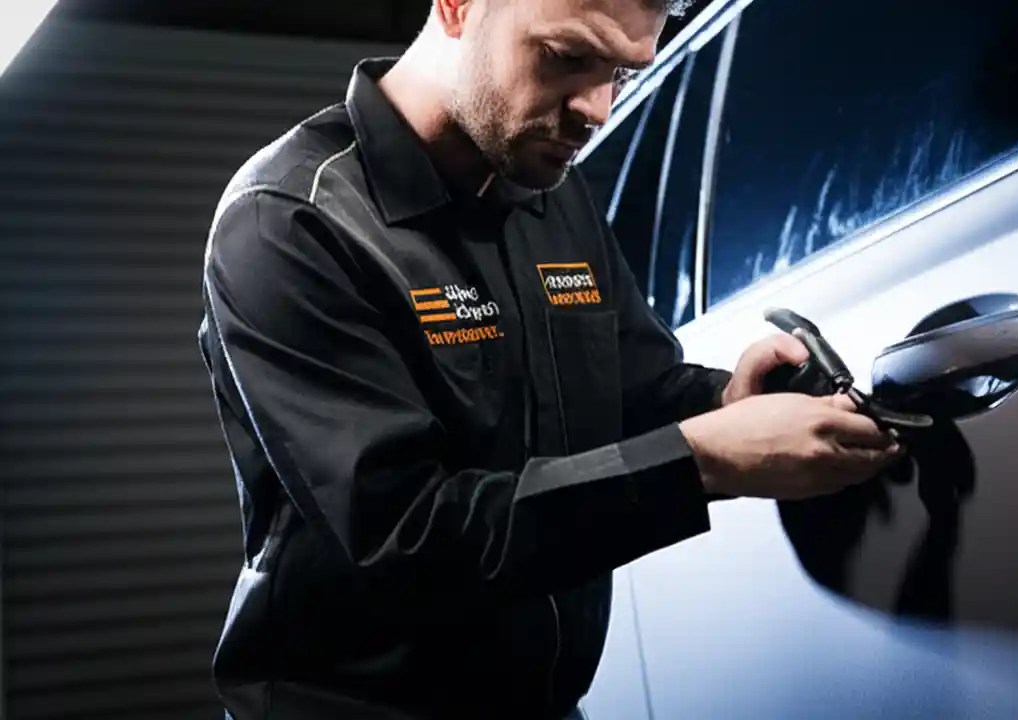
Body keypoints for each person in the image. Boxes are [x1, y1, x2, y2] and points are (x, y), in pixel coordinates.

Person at [197, 0, 903, 717]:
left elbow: (635, 390)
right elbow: (406, 539)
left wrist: (725, 403)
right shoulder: (290, 219)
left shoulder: (549, 189)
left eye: (623, 74)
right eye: (568, 59)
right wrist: (704, 460)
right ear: (456, 7)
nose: (596, 110)